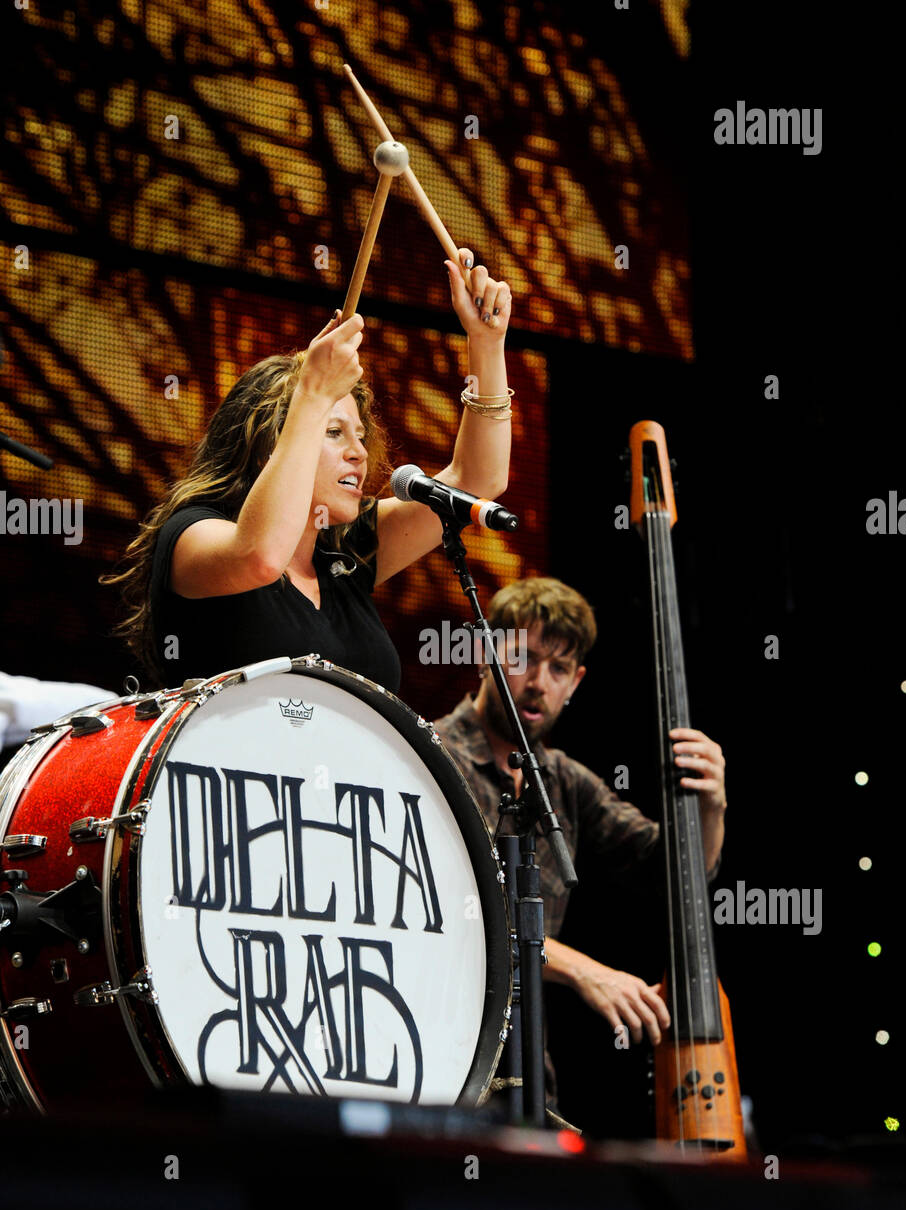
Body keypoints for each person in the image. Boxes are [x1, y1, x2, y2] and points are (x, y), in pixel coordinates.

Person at [102, 254, 512, 691]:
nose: (359, 453)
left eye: (360, 435)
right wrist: (312, 394)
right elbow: (259, 557)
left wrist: (486, 344)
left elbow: (476, 480)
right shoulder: (193, 532)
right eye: (334, 432)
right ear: (266, 448)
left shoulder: (347, 551)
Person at [434, 577, 727, 1084]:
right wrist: (586, 971)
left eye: (559, 668)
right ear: (485, 657)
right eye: (522, 657)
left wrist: (711, 806)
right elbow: (465, 910)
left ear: (576, 683)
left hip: (524, 1069)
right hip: (439, 1053)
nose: (538, 681)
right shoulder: (433, 754)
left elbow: (674, 875)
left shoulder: (564, 780)